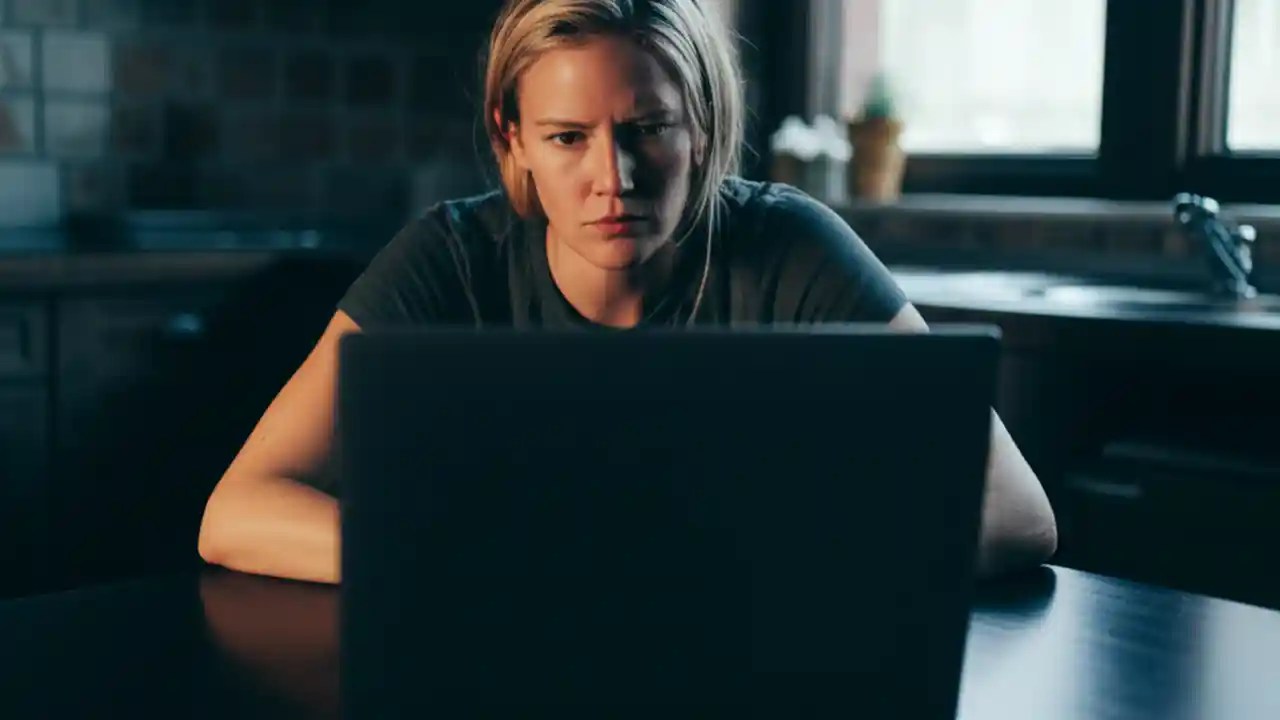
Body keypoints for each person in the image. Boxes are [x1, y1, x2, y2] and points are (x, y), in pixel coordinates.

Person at [198, 0, 1057, 585]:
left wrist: (774, 563)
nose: (613, 178)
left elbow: (1015, 511)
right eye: (567, 137)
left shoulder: (790, 245)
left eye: (647, 129)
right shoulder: (449, 257)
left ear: (704, 127)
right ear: (514, 138)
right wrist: (461, 557)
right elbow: (237, 510)